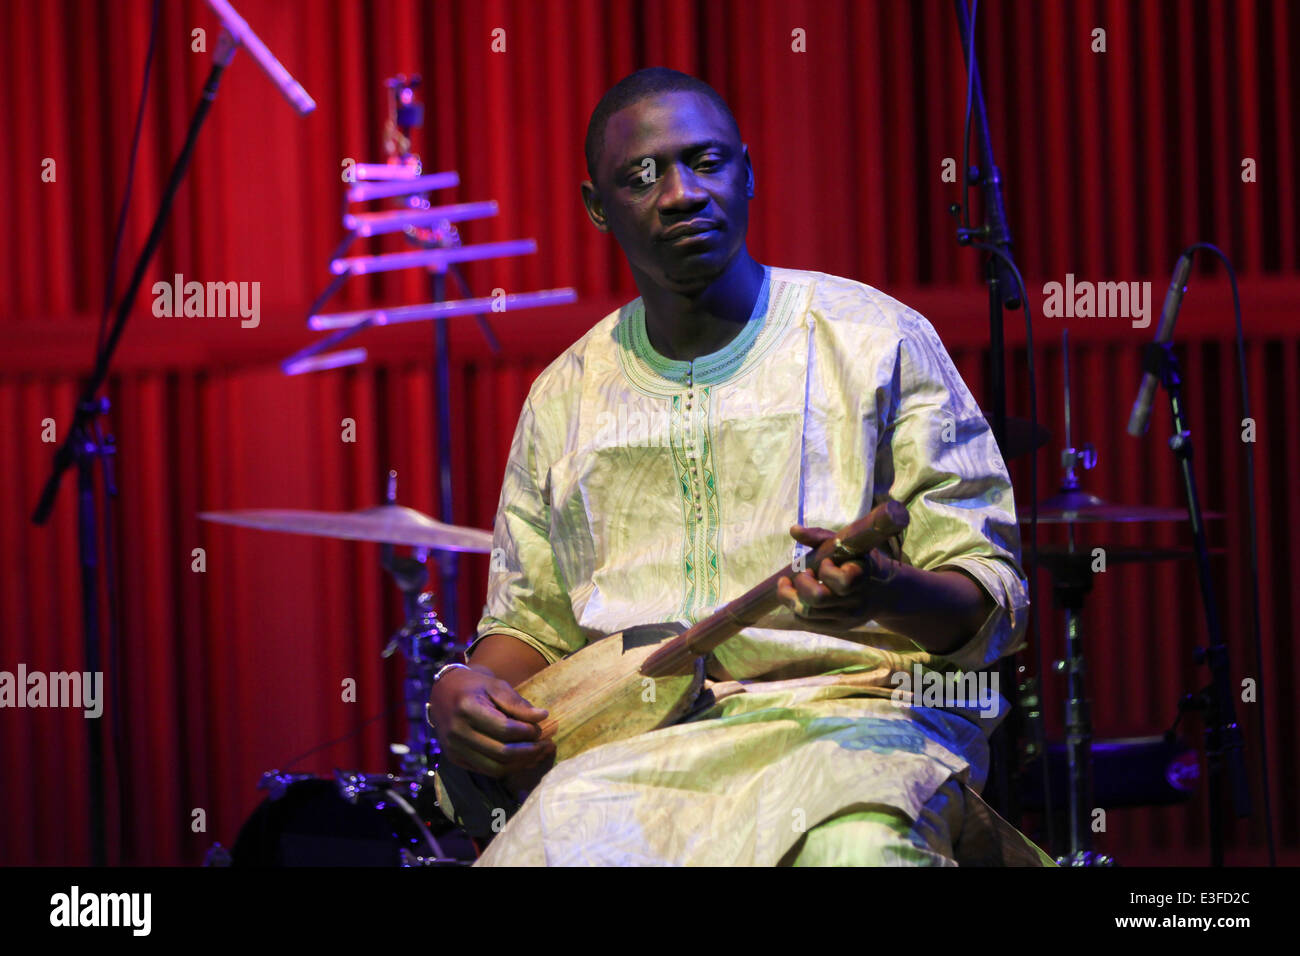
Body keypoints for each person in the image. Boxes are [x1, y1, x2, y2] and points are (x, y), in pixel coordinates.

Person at [426, 67, 1054, 866]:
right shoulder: (566, 396)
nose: (682, 192)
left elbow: (987, 600)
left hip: (852, 728)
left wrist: (887, 593)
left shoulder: (875, 340)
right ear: (597, 207)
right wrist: (465, 686)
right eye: (643, 176)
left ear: (748, 173)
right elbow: (532, 626)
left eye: (708, 162)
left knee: (858, 851)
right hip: (630, 758)